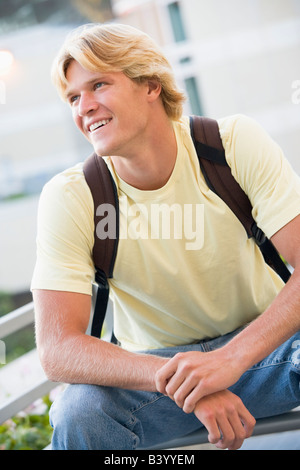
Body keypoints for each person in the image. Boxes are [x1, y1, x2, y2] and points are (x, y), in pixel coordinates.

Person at [31, 23, 300, 451]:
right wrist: (183, 378)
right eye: (73, 98)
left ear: (150, 84)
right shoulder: (71, 197)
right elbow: (58, 348)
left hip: (267, 352)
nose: (85, 107)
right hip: (156, 376)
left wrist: (229, 360)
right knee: (78, 413)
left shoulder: (231, 144)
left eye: (98, 84)